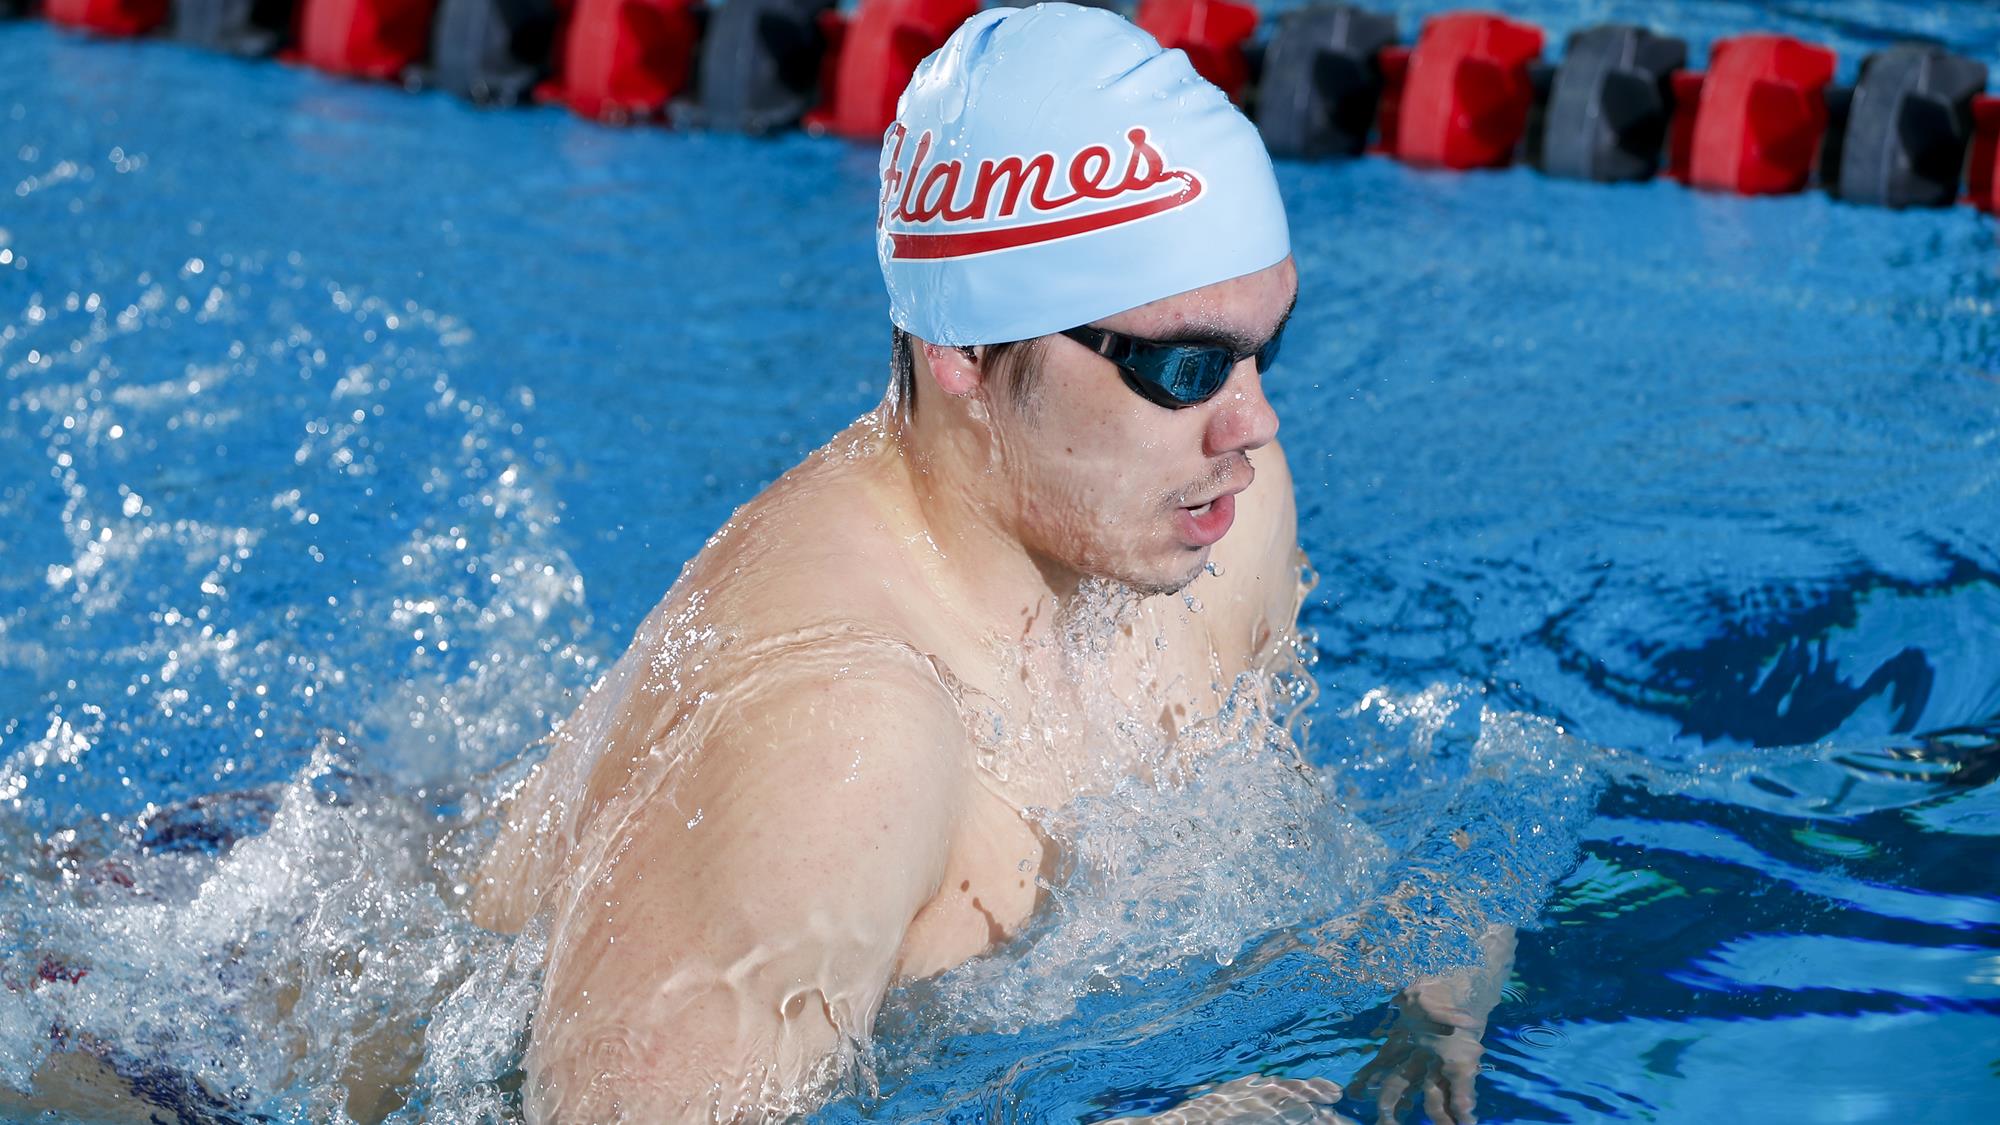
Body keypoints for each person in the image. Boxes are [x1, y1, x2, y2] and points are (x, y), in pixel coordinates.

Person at [472, 6, 1512, 1123]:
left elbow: (1271, 824)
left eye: (1265, 347)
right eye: (1183, 367)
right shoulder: (838, 744)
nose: (1248, 424)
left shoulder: (1211, 514)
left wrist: (1431, 990)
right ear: (962, 349)